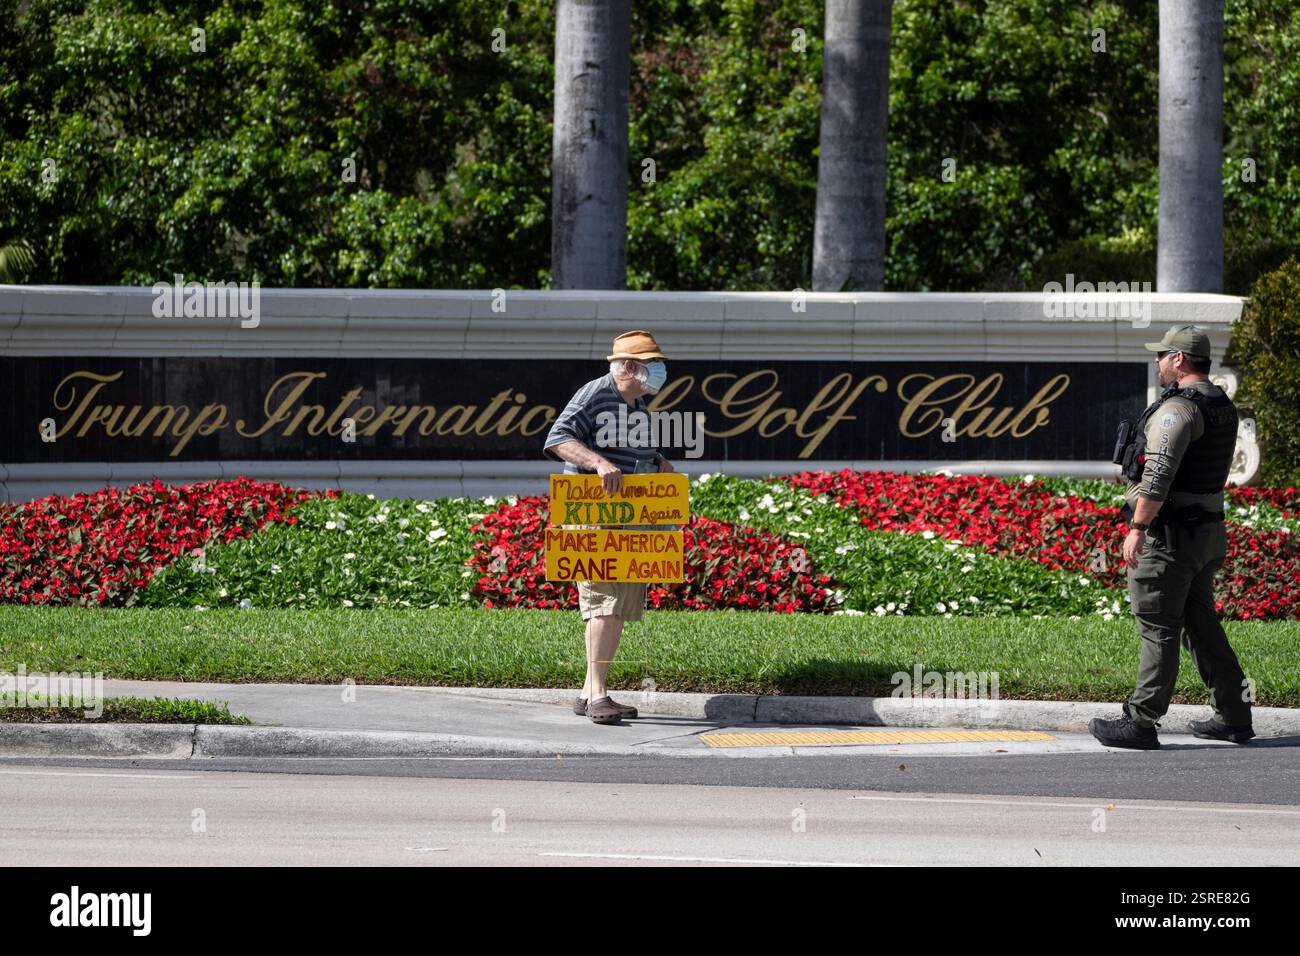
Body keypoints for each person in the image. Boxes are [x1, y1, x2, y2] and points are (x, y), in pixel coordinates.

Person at [1091, 324, 1254, 750]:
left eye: (1162, 355)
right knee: (1201, 625)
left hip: (1170, 536)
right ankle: (1235, 717)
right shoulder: (1221, 404)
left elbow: (1159, 474)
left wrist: (1138, 527)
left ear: (1178, 359)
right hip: (1206, 533)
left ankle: (1141, 722)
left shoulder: (1178, 410)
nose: (1158, 362)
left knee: (1158, 624)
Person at [543, 330, 675, 725]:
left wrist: (659, 462)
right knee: (601, 602)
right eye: (653, 365)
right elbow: (557, 438)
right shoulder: (595, 394)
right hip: (592, 514)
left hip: (629, 517)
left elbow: (635, 452)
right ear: (630, 367)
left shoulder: (637, 406)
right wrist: (597, 463)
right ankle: (598, 693)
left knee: (617, 605)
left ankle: (589, 692)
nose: (659, 372)